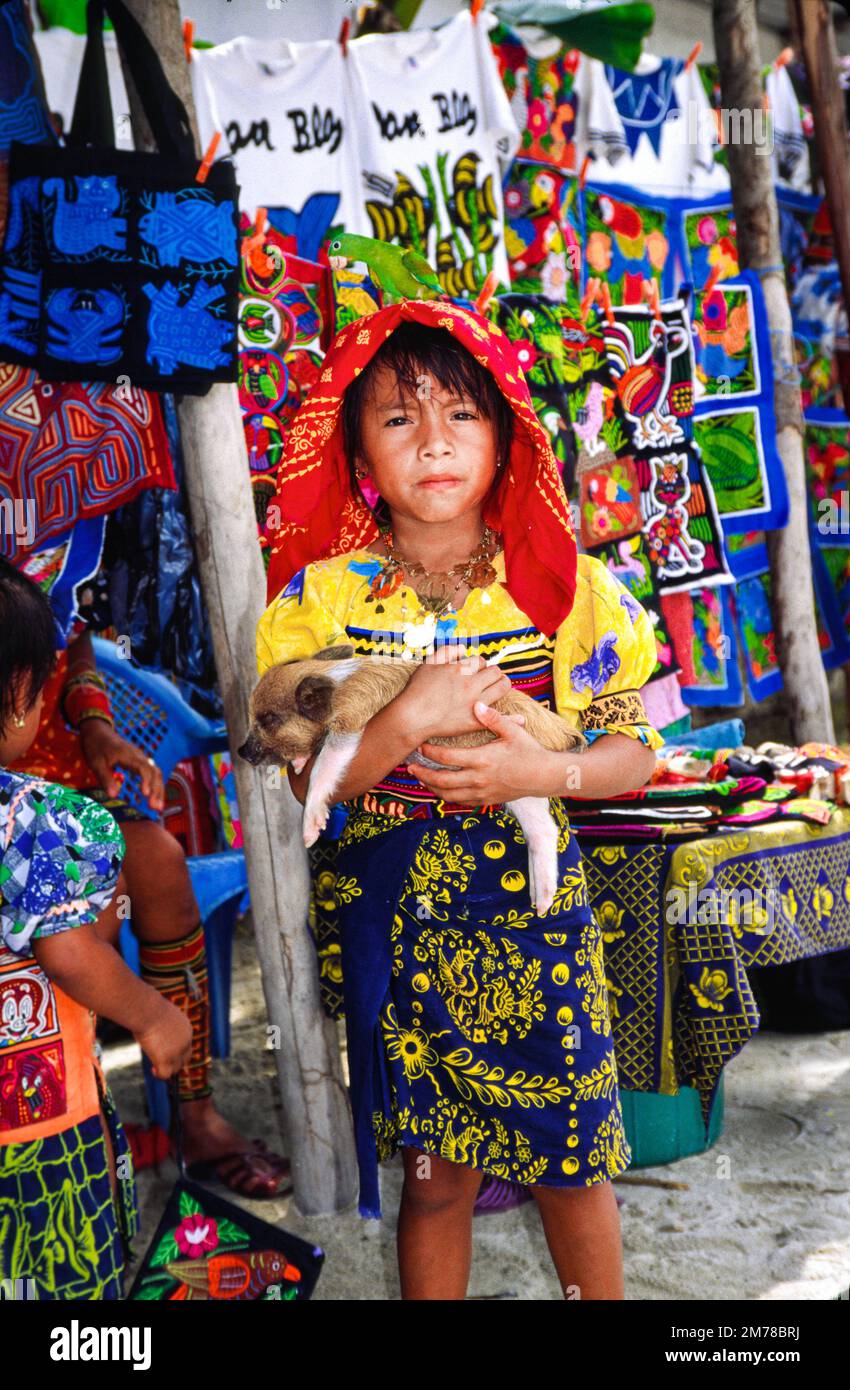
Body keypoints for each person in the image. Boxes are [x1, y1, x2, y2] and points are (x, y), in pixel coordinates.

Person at [256, 299, 663, 1300]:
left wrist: (539, 774)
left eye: (462, 414)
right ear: (355, 446)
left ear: (508, 435)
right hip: (395, 935)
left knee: (572, 1166)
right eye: (398, 418)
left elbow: (635, 749)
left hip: (534, 922)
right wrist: (404, 720)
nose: (433, 442)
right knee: (434, 1184)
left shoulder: (567, 590)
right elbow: (311, 781)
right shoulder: (320, 601)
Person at [9, 613, 291, 1199]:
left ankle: (193, 1114)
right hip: (21, 797)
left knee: (158, 862)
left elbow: (70, 641)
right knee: (76, 926)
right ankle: (71, 1113)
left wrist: (96, 727)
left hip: (65, 774)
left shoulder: (57, 546)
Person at [0, 558, 193, 1298]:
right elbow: (70, 950)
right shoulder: (41, 822)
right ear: (23, 697)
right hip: (40, 1132)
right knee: (69, 1290)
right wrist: (153, 1015)